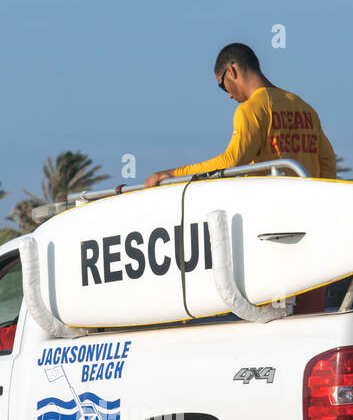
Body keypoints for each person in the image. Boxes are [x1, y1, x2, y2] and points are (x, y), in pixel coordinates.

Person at [144, 42, 339, 313]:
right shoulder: (305, 108)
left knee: (273, 318)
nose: (227, 94)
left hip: (271, 232)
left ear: (232, 70)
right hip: (309, 225)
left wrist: (172, 174)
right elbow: (328, 167)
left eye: (222, 85)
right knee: (311, 317)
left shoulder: (252, 110)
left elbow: (230, 161)